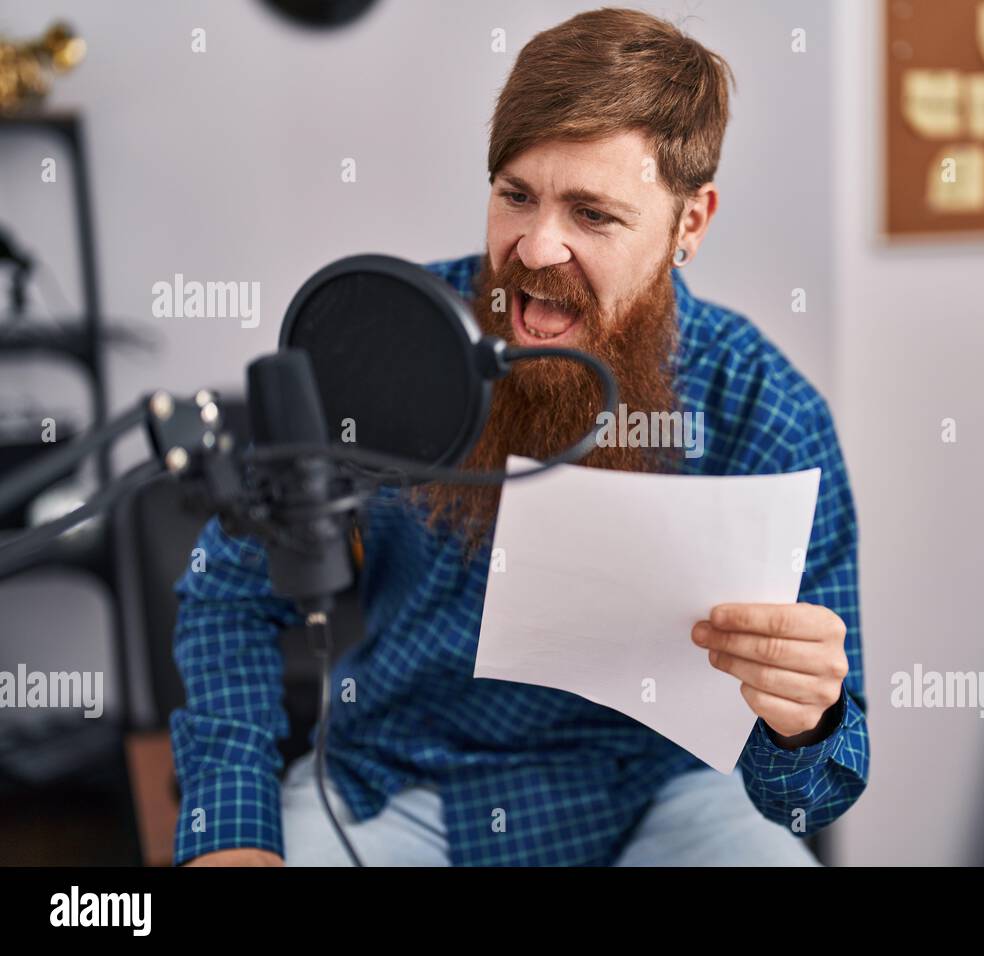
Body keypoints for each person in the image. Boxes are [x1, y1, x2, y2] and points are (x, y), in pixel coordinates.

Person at [174, 7, 868, 867]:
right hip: (395, 788)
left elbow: (814, 794)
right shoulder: (386, 344)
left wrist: (807, 722)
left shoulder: (762, 404)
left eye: (594, 215)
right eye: (516, 195)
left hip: (660, 797)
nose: (536, 248)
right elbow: (226, 594)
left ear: (689, 225)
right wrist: (228, 835)